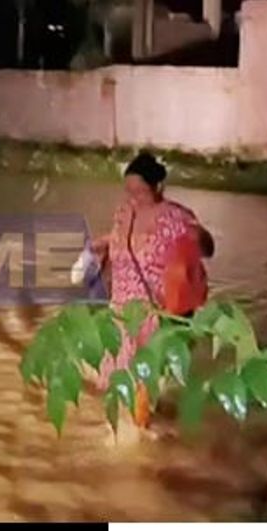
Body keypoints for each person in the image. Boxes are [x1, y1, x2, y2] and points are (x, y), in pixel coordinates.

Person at [88, 151, 214, 429]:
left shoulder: (177, 218)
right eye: (129, 191)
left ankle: (139, 440)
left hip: (154, 314)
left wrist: (199, 237)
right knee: (119, 386)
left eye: (140, 192)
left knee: (143, 390)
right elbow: (120, 240)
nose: (134, 199)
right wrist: (99, 247)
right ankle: (132, 438)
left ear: (158, 187)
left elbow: (207, 249)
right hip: (121, 313)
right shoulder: (124, 212)